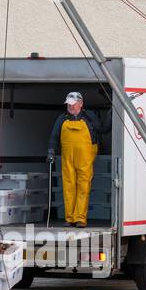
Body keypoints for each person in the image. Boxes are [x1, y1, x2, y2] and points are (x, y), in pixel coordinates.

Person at [48, 91, 107, 228]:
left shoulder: (89, 117)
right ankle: (69, 218)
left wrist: (111, 113)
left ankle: (80, 218)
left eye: (73, 104)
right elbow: (54, 136)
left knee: (83, 187)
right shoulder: (62, 118)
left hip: (85, 158)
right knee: (68, 187)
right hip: (68, 158)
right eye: (68, 104)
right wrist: (51, 152)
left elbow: (102, 129)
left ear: (80, 104)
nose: (70, 107)